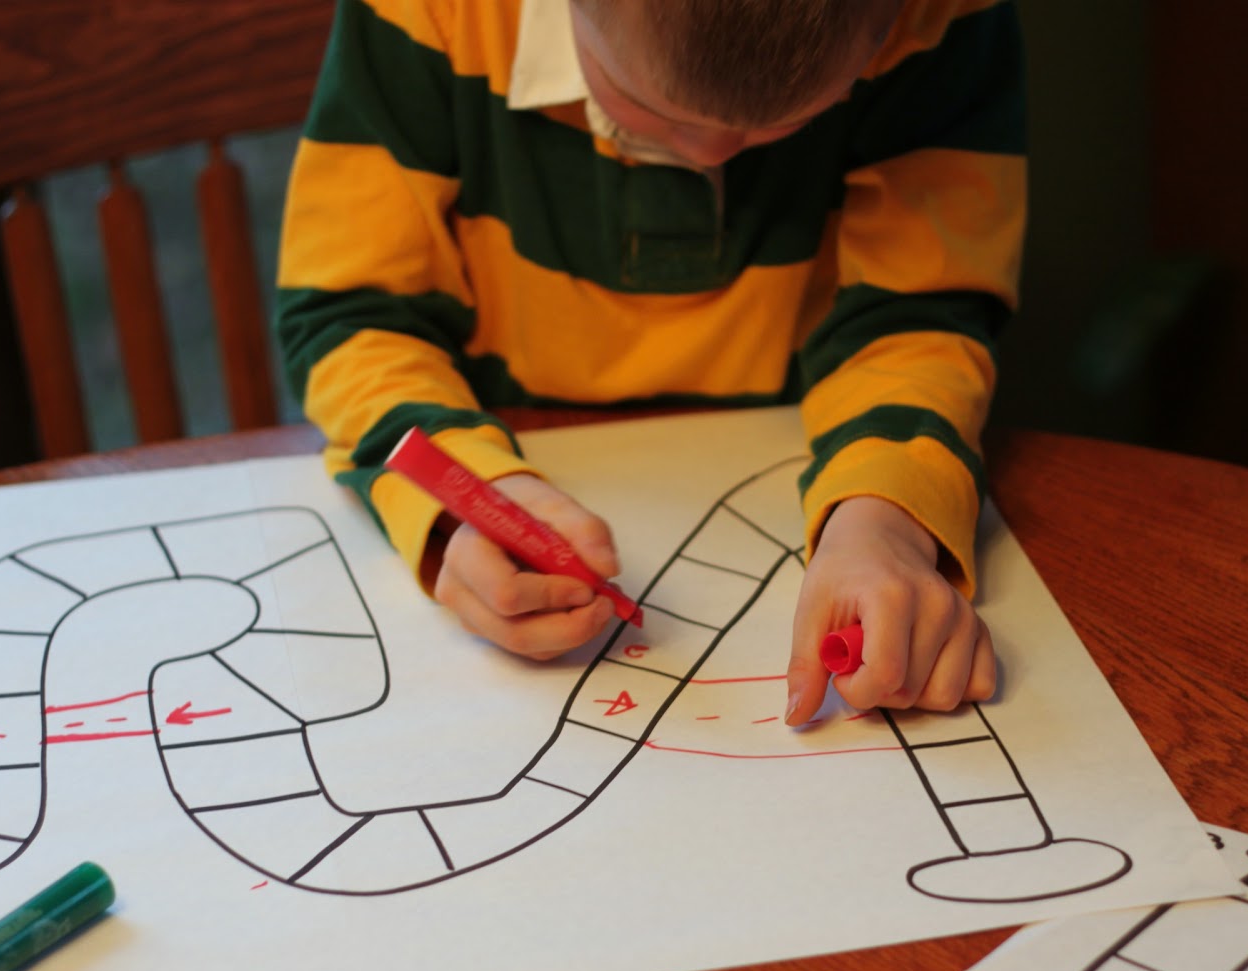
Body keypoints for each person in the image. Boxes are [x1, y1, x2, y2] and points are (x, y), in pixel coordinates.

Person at [276, 0, 1025, 726]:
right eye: (650, 107)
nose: (708, 153)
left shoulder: (940, 15)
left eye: (793, 118)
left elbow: (920, 312)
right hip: (497, 433)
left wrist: (884, 522)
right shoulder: (427, 10)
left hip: (821, 459)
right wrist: (467, 501)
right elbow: (353, 317)